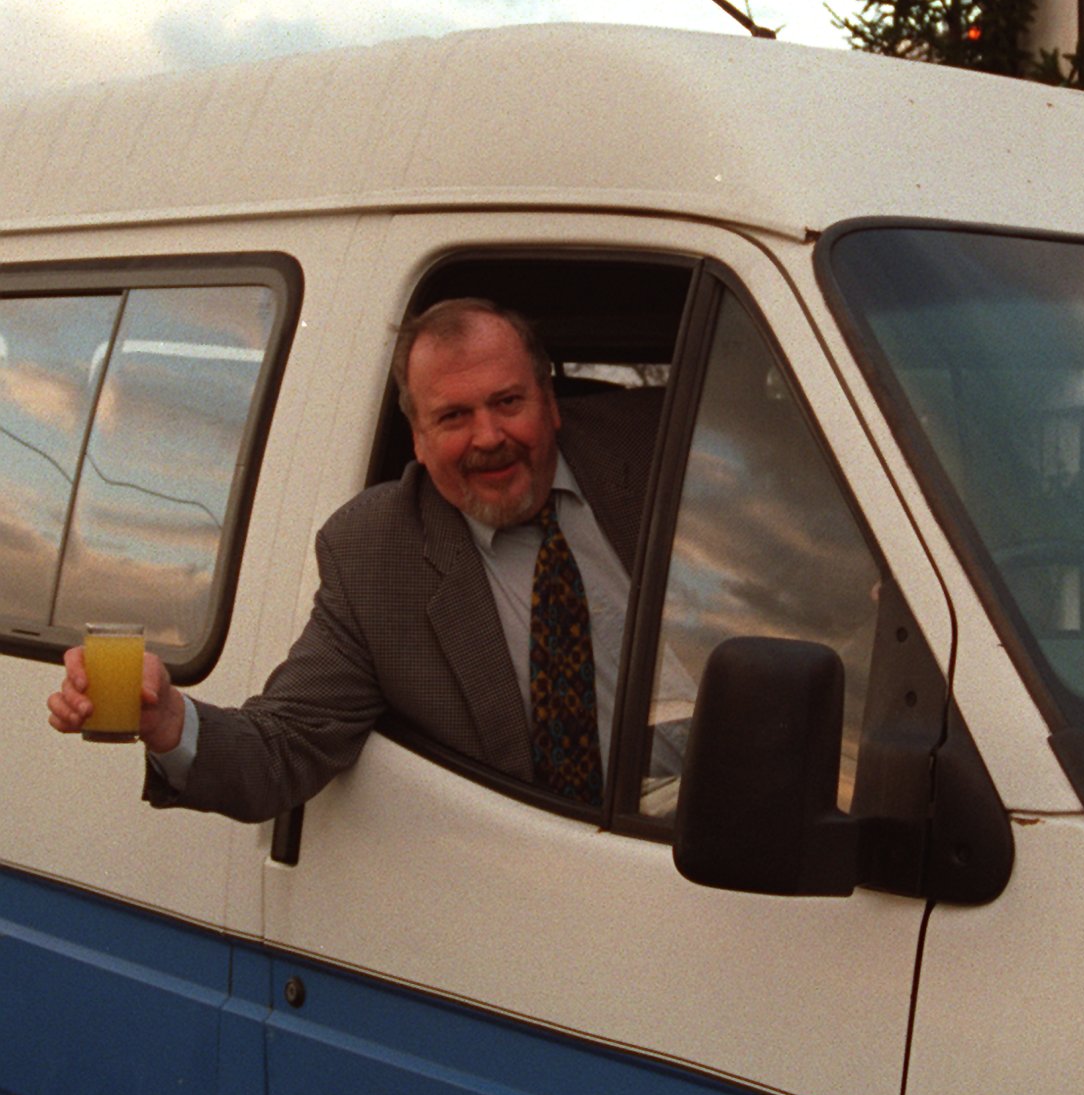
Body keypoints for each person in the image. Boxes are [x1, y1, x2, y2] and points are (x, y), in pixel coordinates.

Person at [46, 299, 660, 821]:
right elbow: (287, 742)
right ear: (418, 438)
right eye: (453, 416)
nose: (488, 436)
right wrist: (171, 721)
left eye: (507, 402)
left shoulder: (659, 448)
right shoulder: (377, 552)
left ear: (549, 402)